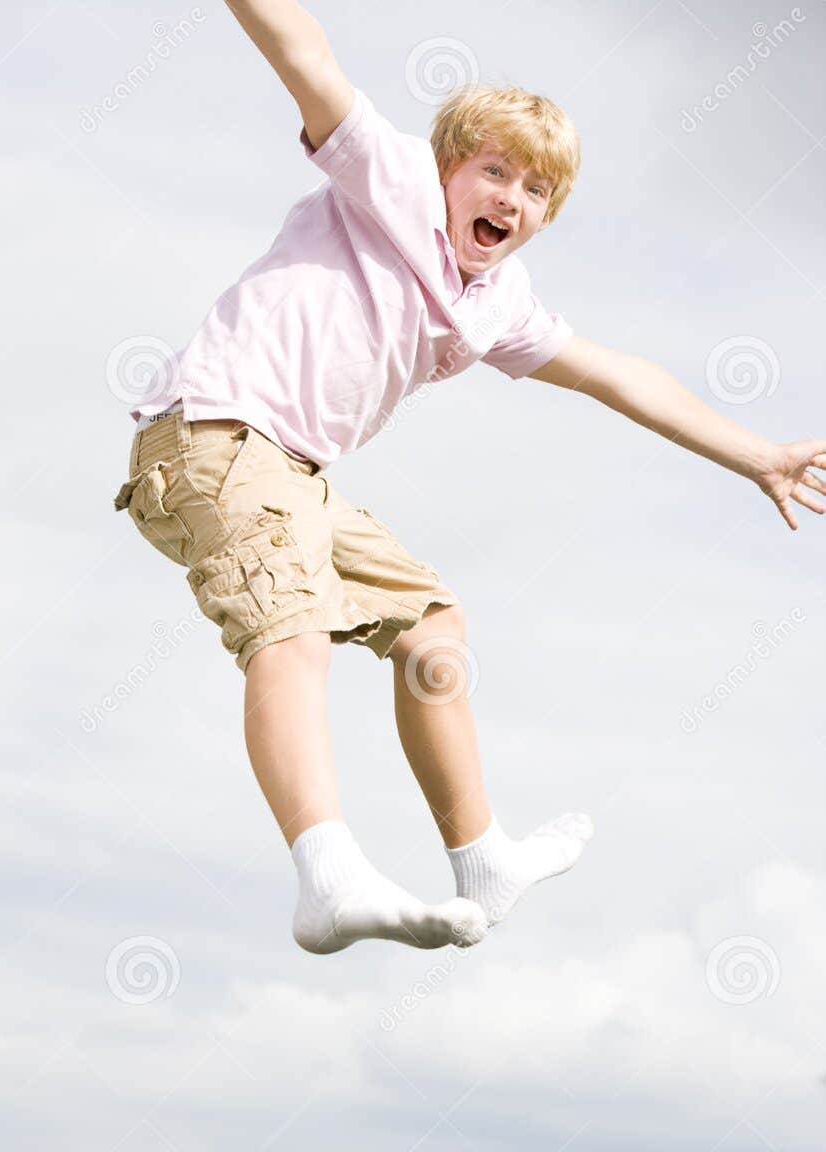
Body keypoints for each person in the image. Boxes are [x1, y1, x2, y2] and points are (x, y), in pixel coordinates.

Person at [114, 0, 825, 956]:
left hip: (296, 477)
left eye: (534, 190)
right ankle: (328, 877)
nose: (509, 197)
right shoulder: (386, 175)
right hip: (216, 437)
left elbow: (614, 374)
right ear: (449, 166)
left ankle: (480, 856)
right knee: (290, 630)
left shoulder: (497, 301)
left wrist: (757, 456)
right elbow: (304, 53)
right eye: (493, 169)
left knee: (432, 627)